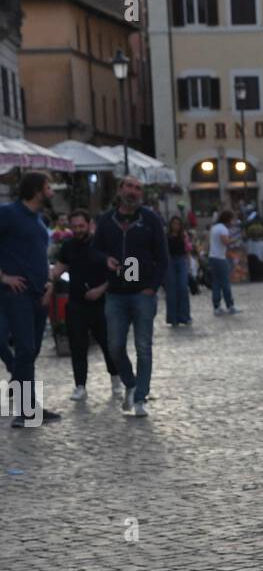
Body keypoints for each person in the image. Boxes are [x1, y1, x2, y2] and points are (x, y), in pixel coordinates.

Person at [93, 175, 168, 418]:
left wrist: (153, 287)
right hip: (116, 294)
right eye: (129, 186)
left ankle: (140, 398)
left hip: (142, 294)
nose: (134, 191)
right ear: (120, 190)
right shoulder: (106, 220)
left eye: (138, 188)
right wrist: (105, 260)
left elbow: (162, 257)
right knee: (114, 346)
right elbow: (95, 251)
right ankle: (130, 382)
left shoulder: (151, 220)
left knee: (143, 347)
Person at [0, 170, 61, 426]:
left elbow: (38, 255)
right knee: (25, 348)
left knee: (31, 351)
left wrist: (48, 282)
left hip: (39, 292)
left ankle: (29, 405)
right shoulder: (9, 213)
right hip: (17, 293)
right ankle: (25, 412)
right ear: (37, 190)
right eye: (48, 187)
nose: (52, 192)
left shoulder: (38, 218)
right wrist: (3, 277)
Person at [51, 207, 122, 401]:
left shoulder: (102, 245)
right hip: (76, 304)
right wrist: (51, 277)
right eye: (74, 227)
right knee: (77, 346)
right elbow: (60, 266)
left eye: (81, 226)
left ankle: (116, 379)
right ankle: (80, 385)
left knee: (109, 345)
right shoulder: (67, 246)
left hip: (102, 304)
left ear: (89, 225)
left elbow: (118, 273)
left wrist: (100, 290)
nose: (78, 230)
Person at [208, 210, 239, 316]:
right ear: (228, 219)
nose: (233, 222)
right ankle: (230, 305)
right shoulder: (223, 229)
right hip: (220, 258)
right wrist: (236, 239)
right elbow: (225, 242)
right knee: (225, 283)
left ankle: (216, 307)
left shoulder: (214, 227)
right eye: (232, 219)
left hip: (212, 257)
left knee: (216, 283)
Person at [165, 214, 192, 327]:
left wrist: (189, 264)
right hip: (170, 261)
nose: (176, 226)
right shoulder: (166, 236)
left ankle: (184, 316)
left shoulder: (183, 235)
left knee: (182, 288)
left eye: (178, 224)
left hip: (181, 261)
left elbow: (188, 250)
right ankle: (173, 318)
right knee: (171, 290)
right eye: (174, 223)